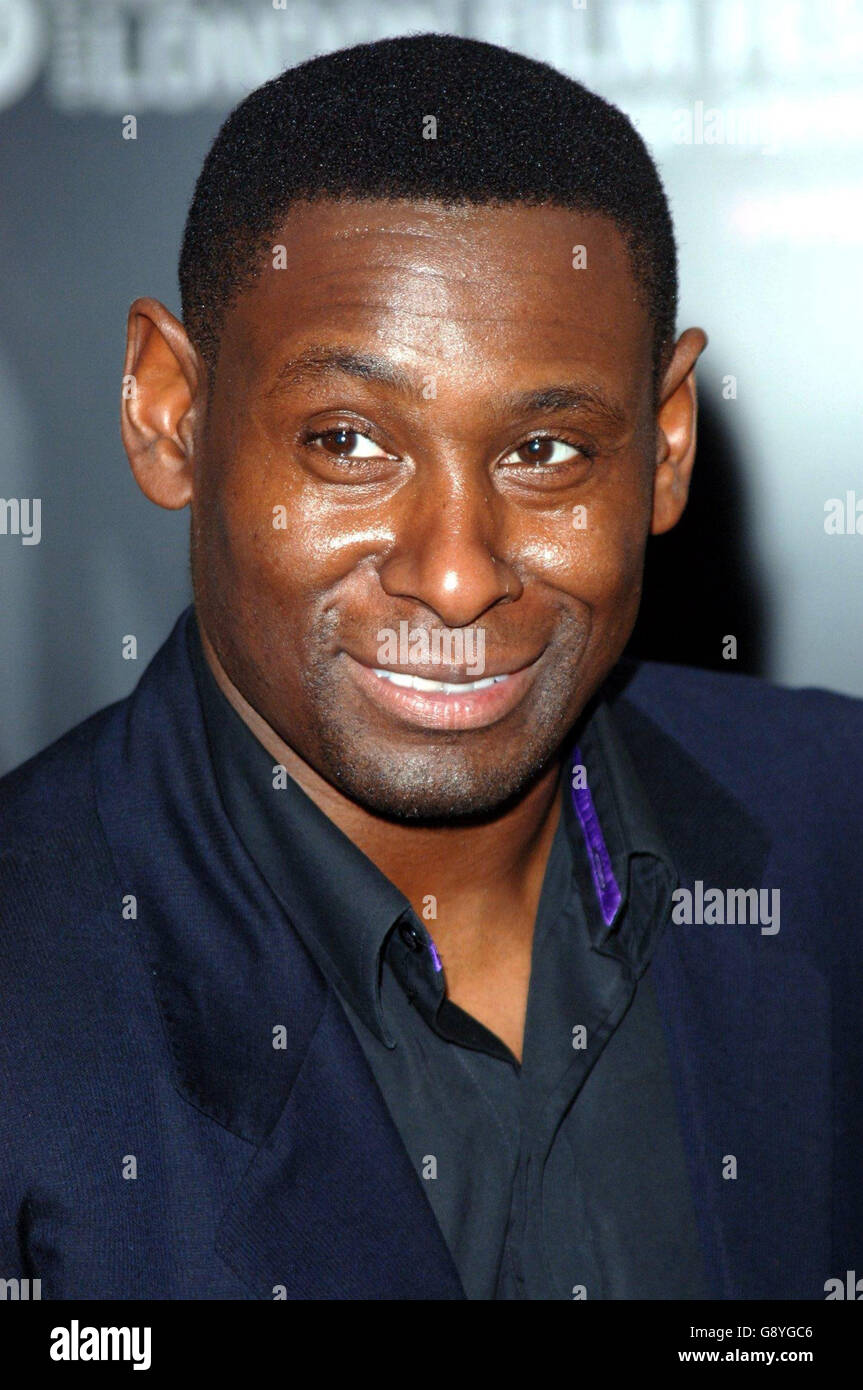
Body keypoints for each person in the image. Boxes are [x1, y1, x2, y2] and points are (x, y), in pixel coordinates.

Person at [1, 33, 860, 1302]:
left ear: (665, 446)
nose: (455, 575)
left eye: (547, 451)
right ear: (169, 409)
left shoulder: (833, 824)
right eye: (348, 441)